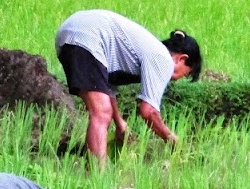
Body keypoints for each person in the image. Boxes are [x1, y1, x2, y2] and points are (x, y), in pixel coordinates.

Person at [55, 9, 202, 164]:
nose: (179, 79)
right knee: (101, 113)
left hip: (67, 34)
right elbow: (148, 111)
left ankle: (93, 169)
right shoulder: (163, 58)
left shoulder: (147, 51)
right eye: (186, 74)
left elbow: (106, 87)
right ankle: (97, 178)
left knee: (102, 110)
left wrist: (120, 124)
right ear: (181, 59)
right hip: (87, 37)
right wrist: (171, 139)